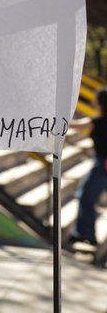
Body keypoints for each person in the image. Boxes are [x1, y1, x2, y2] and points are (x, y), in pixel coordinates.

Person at [67, 87, 107, 248]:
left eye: (95, 101)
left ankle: (86, 234)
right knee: (87, 195)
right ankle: (85, 233)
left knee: (86, 197)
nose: (94, 103)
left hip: (102, 165)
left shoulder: (96, 122)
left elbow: (72, 125)